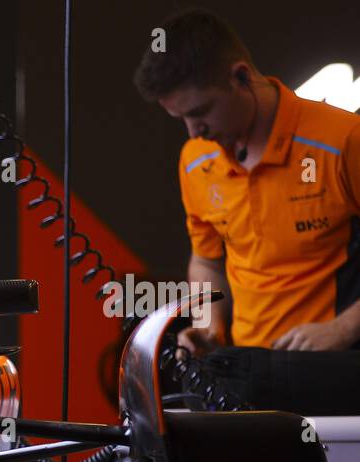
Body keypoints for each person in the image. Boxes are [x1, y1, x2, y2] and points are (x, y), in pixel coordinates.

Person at [134, 8, 360, 355]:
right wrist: (208, 326)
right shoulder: (196, 158)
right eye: (180, 118)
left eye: (199, 112)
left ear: (240, 77)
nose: (194, 132)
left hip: (332, 372)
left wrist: (341, 330)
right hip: (246, 372)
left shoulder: (342, 140)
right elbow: (207, 261)